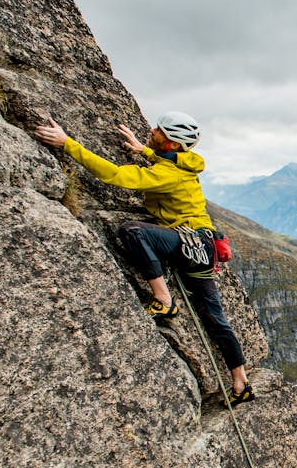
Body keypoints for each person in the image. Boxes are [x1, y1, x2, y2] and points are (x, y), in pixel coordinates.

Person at [33, 112, 255, 407]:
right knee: (215, 319)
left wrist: (67, 144)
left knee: (133, 231)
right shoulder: (179, 162)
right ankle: (241, 382)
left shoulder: (169, 173)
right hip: (201, 248)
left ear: (173, 142)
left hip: (188, 243)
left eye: (159, 131)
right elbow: (167, 163)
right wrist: (146, 150)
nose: (152, 130)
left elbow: (116, 176)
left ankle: (163, 300)